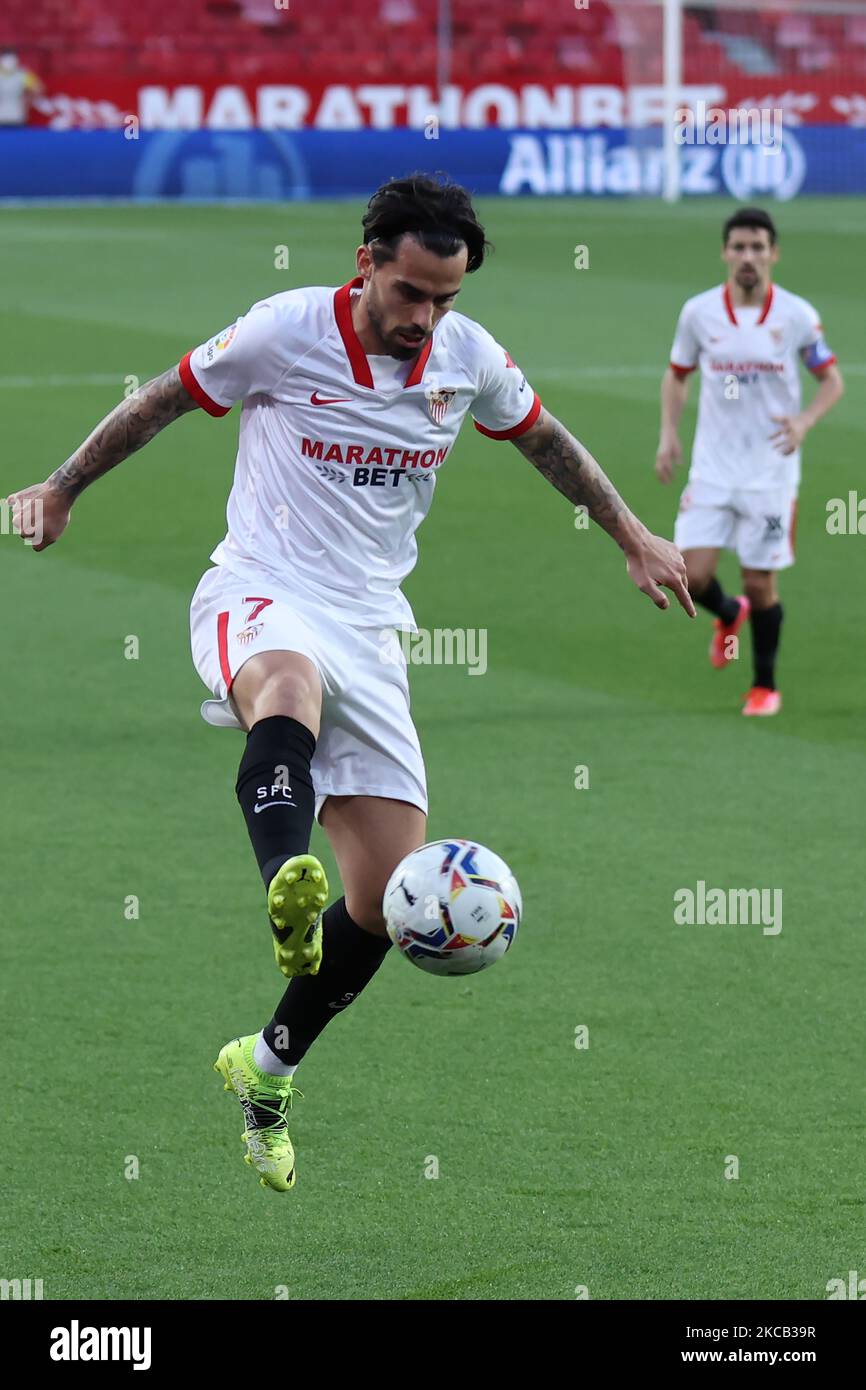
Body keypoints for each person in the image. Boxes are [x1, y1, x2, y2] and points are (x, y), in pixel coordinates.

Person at [5, 173, 693, 1192]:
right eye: (411, 292)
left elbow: (543, 437)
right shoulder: (282, 331)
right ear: (365, 261)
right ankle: (283, 876)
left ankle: (267, 1070)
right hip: (260, 585)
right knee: (283, 685)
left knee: (380, 901)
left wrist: (630, 534)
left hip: (372, 631)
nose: (425, 318)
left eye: (444, 298)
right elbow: (159, 400)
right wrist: (61, 486)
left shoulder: (464, 358)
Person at [656, 206, 843, 715]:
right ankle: (726, 610)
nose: (748, 256)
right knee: (687, 576)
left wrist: (803, 422)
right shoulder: (699, 313)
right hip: (712, 468)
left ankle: (764, 685)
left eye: (758, 247)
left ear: (773, 254)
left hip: (770, 473)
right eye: (738, 246)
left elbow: (832, 380)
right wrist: (668, 433)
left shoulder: (797, 317)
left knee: (761, 582)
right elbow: (677, 374)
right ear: (724, 252)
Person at [0, 50, 43, 127]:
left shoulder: (23, 74)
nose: (9, 62)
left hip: (17, 116)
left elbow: (39, 89)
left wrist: (27, 101)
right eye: (6, 59)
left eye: (11, 59)